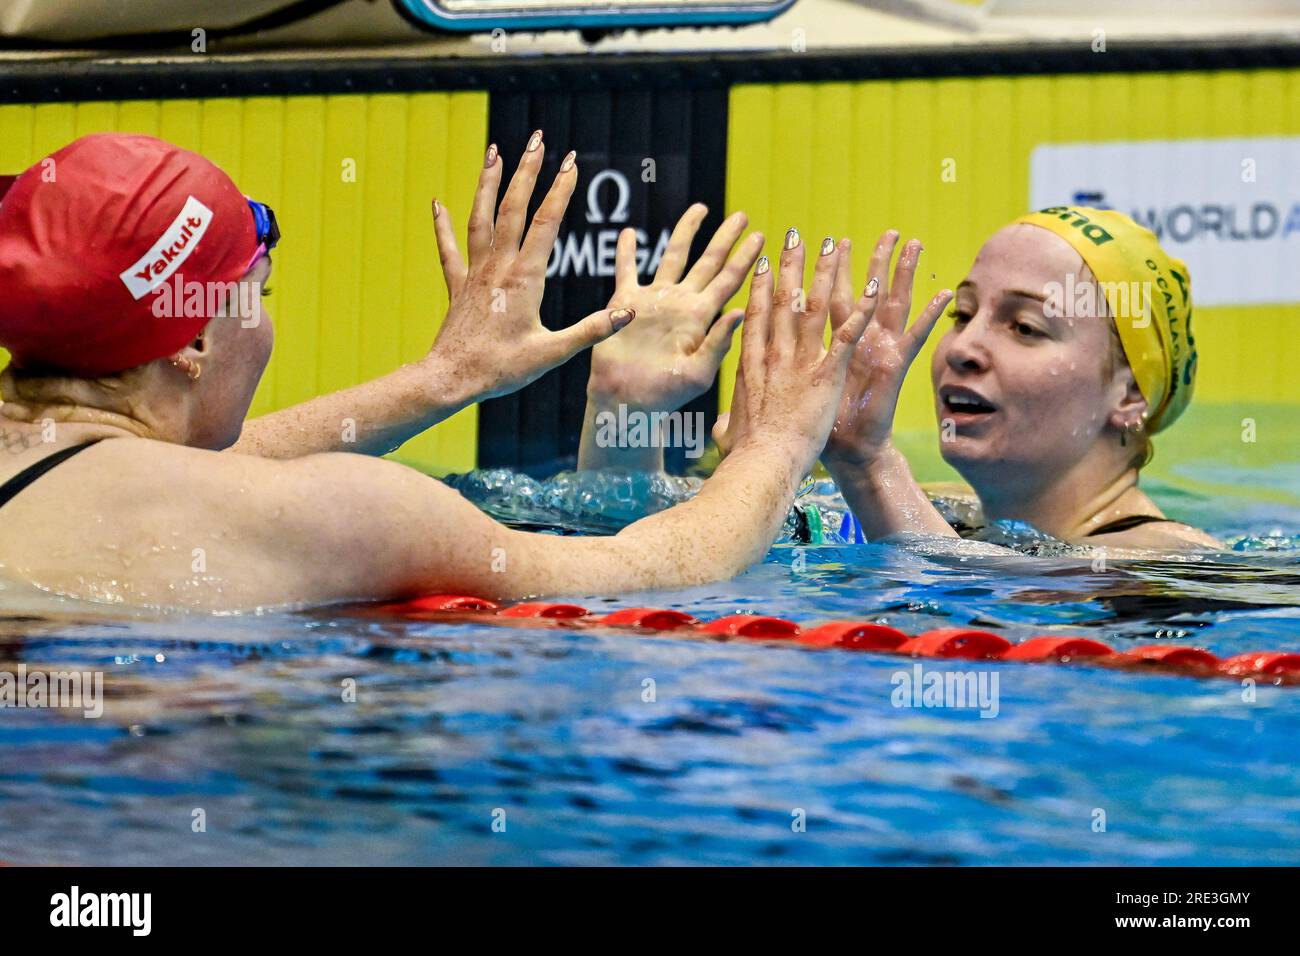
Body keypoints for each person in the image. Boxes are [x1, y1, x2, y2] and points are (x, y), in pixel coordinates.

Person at [0, 132, 867, 611]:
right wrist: (782, 440)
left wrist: (444, 379)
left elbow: (197, 471)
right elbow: (643, 572)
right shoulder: (341, 513)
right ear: (192, 343)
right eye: (258, 294)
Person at [818, 209, 1221, 550]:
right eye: (962, 314)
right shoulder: (951, 510)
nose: (962, 349)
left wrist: (867, 465)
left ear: (1129, 394)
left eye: (1025, 328)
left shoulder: (1171, 564)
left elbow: (1017, 588)